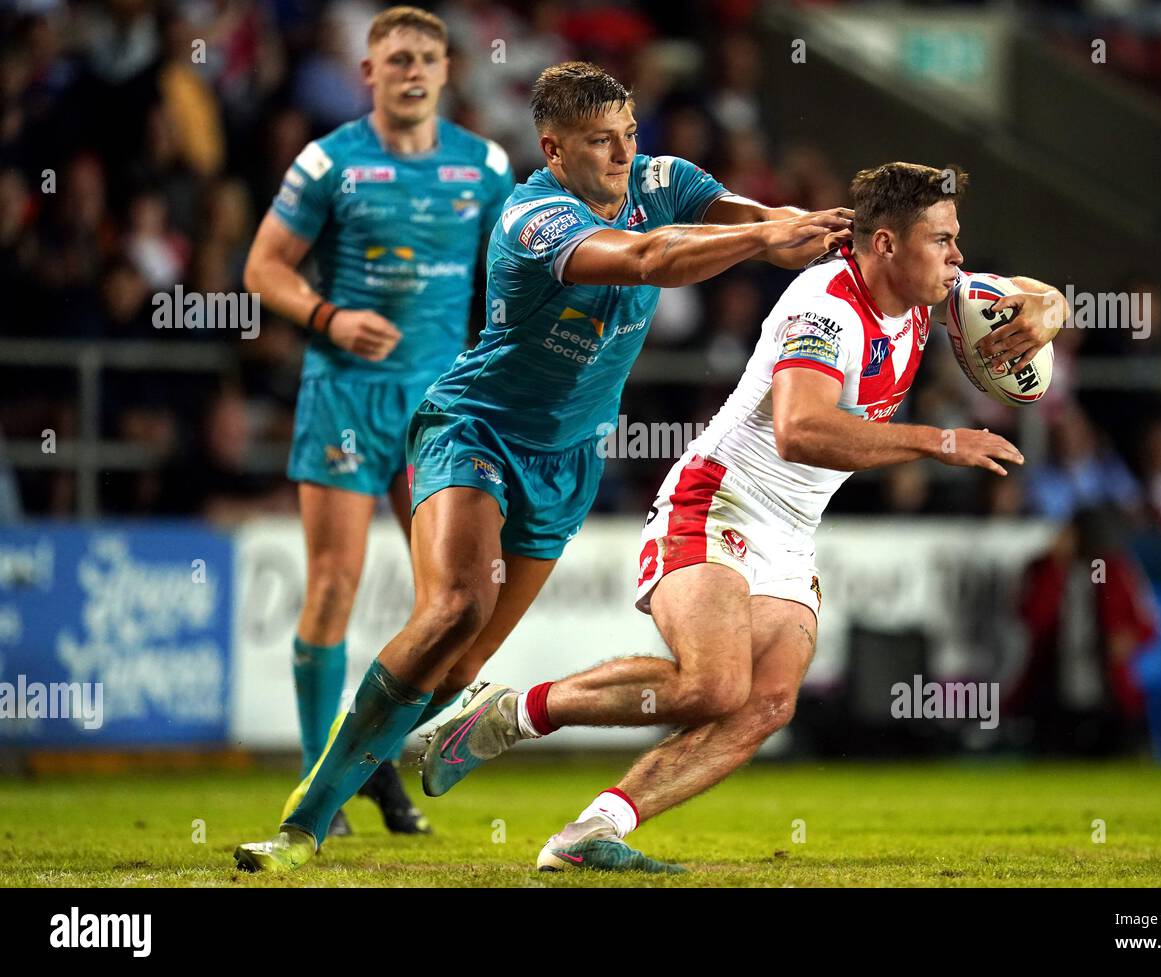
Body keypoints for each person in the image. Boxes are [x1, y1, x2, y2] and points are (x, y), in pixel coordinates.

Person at [234, 60, 853, 872]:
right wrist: (762, 237)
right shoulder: (533, 218)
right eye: (601, 142)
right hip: (475, 429)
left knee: (462, 663)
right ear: (554, 149)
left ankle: (423, 740)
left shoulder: (662, 177)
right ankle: (302, 825)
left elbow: (755, 218)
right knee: (456, 605)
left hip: (567, 460)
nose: (623, 154)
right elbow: (648, 260)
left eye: (629, 135)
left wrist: (819, 230)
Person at [420, 162, 1068, 872]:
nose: (958, 258)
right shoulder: (825, 303)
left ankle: (592, 830)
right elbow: (800, 430)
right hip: (718, 500)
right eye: (942, 241)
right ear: (885, 244)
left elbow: (1029, 298)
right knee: (713, 685)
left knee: (766, 703)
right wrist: (939, 441)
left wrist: (1051, 311)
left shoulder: (924, 292)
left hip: (790, 535)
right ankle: (510, 712)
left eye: (956, 240)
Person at [242, 6, 514, 837]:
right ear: (369, 72)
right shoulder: (330, 161)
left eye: (427, 57)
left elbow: (515, 272)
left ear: (445, 70)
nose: (413, 70)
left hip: (438, 410)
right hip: (345, 397)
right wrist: (327, 319)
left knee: (447, 604)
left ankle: (374, 765)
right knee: (331, 585)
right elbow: (262, 268)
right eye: (396, 58)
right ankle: (315, 778)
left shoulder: (486, 165)